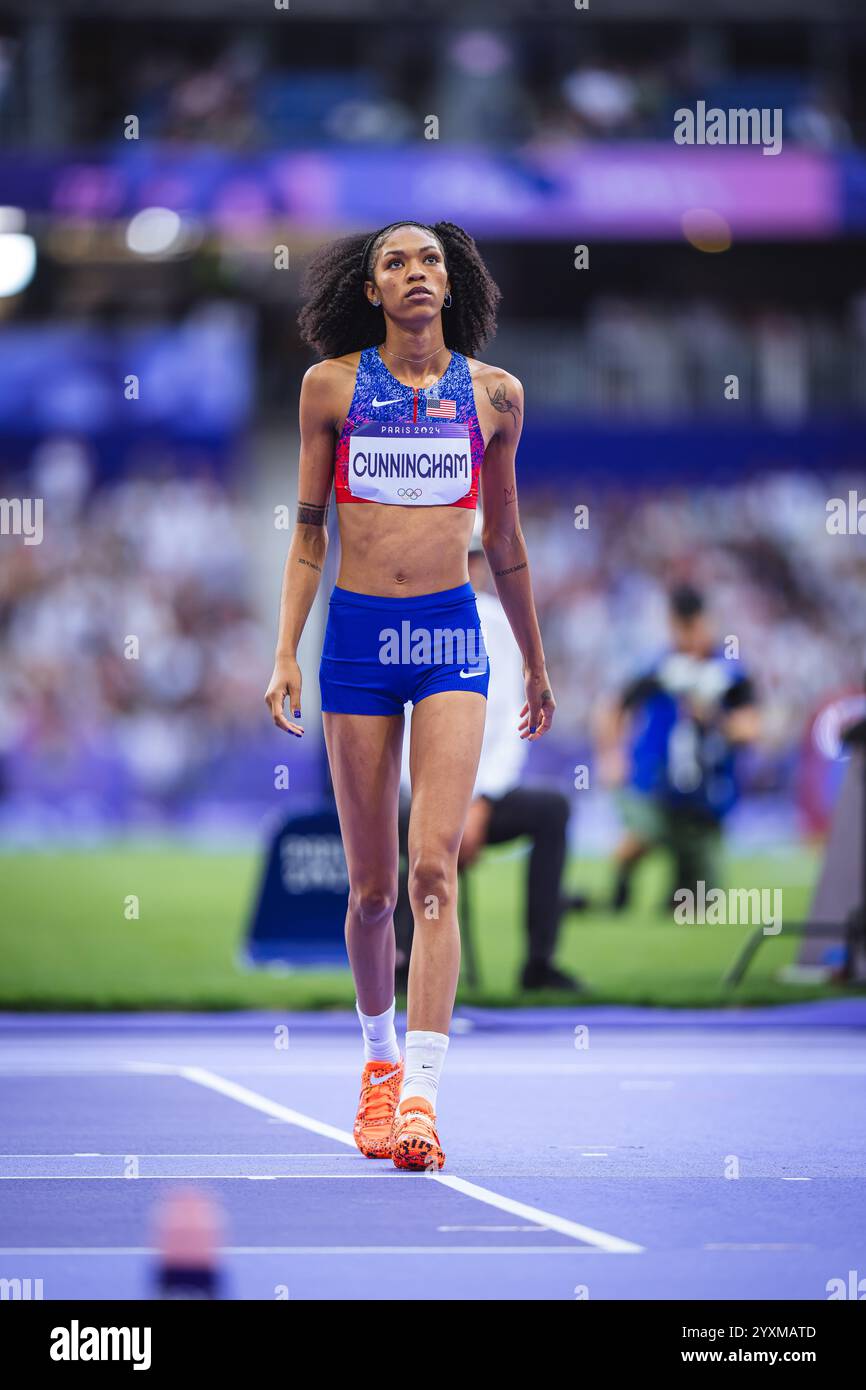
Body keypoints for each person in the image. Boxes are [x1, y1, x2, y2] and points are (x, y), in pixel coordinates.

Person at [264, 220, 554, 1170]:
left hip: (448, 642)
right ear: (371, 290)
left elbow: (505, 542)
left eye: (431, 259)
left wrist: (537, 662)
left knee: (435, 868)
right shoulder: (330, 389)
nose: (417, 273)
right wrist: (285, 654)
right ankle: (379, 1067)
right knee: (374, 890)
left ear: (452, 282)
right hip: (353, 641)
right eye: (396, 261)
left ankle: (423, 1100)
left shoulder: (496, 396)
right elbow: (310, 532)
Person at [395, 536, 585, 993]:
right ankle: (400, 963)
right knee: (395, 822)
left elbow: (509, 723)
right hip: (418, 794)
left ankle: (539, 962)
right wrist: (436, 804)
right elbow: (399, 724)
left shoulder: (500, 626)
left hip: (483, 795)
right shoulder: (410, 624)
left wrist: (478, 801)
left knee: (552, 810)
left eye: (476, 558)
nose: (472, 568)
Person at [597, 584, 760, 910]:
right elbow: (612, 708)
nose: (687, 636)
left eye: (693, 625)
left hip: (704, 798)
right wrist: (611, 755)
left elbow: (750, 729)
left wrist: (714, 721)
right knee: (644, 831)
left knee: (701, 901)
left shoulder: (729, 674)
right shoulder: (657, 669)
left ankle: (679, 887)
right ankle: (617, 892)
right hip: (654, 785)